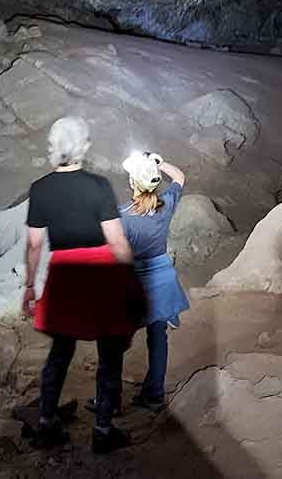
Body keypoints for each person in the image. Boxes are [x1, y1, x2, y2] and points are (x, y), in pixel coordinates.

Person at [23, 115, 145, 454]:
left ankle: (46, 424)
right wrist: (131, 278)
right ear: (84, 147)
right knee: (109, 353)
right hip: (100, 274)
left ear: (53, 147)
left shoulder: (40, 189)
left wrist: (30, 286)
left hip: (64, 274)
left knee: (60, 351)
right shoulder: (99, 186)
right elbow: (117, 242)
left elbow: (34, 245)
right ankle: (103, 430)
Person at [120, 150, 189, 410]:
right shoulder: (166, 205)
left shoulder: (122, 215)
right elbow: (180, 177)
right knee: (158, 337)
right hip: (162, 280)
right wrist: (160, 163)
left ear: (131, 183)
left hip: (136, 284)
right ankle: (153, 394)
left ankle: (108, 399)